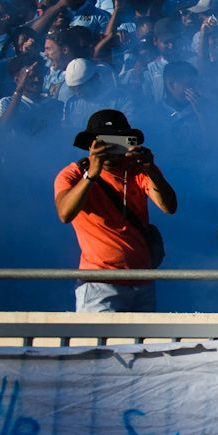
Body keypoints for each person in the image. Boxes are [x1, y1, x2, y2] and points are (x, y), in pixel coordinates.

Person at [54, 109, 179, 312]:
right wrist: (91, 175)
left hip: (141, 280)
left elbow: (169, 207)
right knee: (98, 343)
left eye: (118, 141)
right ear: (90, 144)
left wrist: (151, 168)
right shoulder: (73, 174)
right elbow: (65, 213)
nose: (111, 148)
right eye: (104, 142)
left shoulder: (138, 170)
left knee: (143, 344)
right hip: (99, 283)